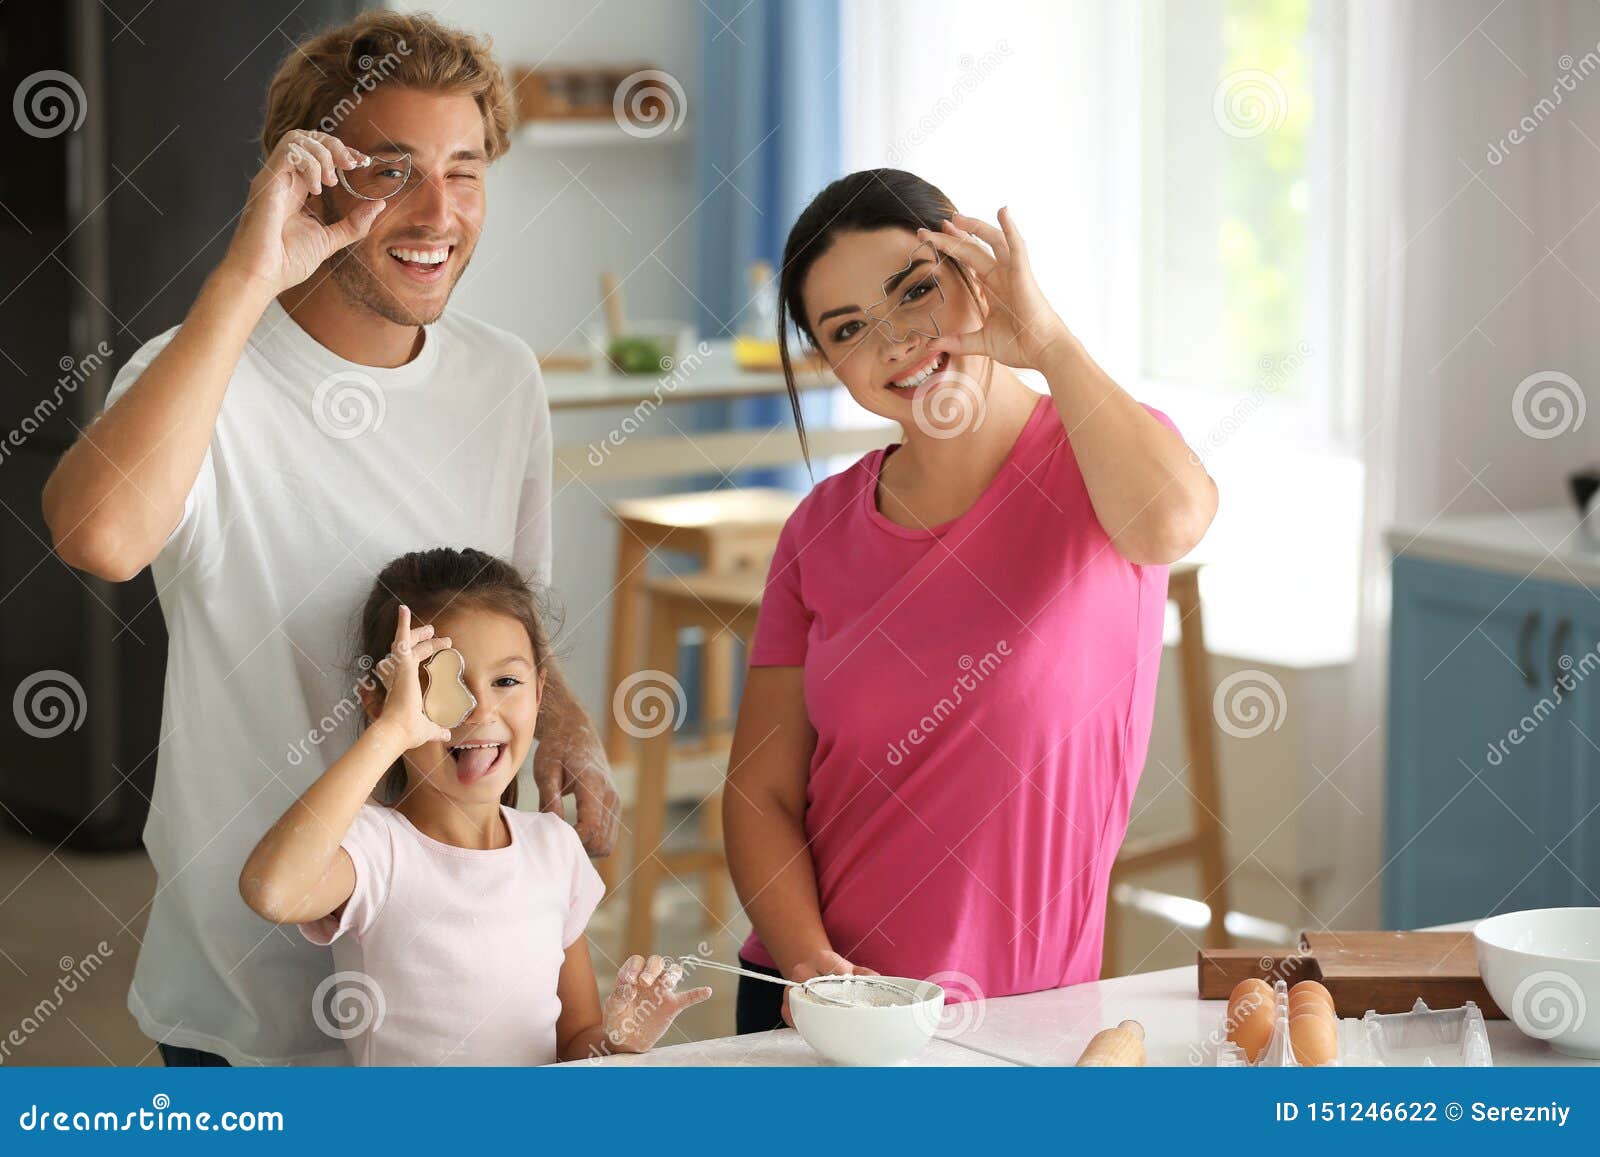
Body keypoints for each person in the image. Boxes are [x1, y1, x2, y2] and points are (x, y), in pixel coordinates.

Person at [40, 12, 618, 1065]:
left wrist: (564, 718)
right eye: (393, 170)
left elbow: (510, 602)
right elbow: (98, 537)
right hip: (249, 989)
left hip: (456, 1000)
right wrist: (248, 274)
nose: (439, 212)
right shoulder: (204, 372)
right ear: (306, 180)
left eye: (466, 168)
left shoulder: (502, 376)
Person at [723, 169, 1219, 1033]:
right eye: (849, 330)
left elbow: (1172, 523)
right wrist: (810, 968)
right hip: (824, 1010)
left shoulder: (1098, 458)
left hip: (1027, 1019)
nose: (900, 342)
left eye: (916, 290)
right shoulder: (819, 531)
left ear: (974, 274)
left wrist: (1047, 337)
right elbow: (759, 793)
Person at [240, 548, 709, 1065]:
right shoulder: (376, 849)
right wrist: (392, 731)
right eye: (444, 683)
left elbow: (576, 1043)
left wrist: (619, 1041)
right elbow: (273, 893)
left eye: (507, 682)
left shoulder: (555, 848)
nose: (481, 709)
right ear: (382, 703)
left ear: (540, 693)